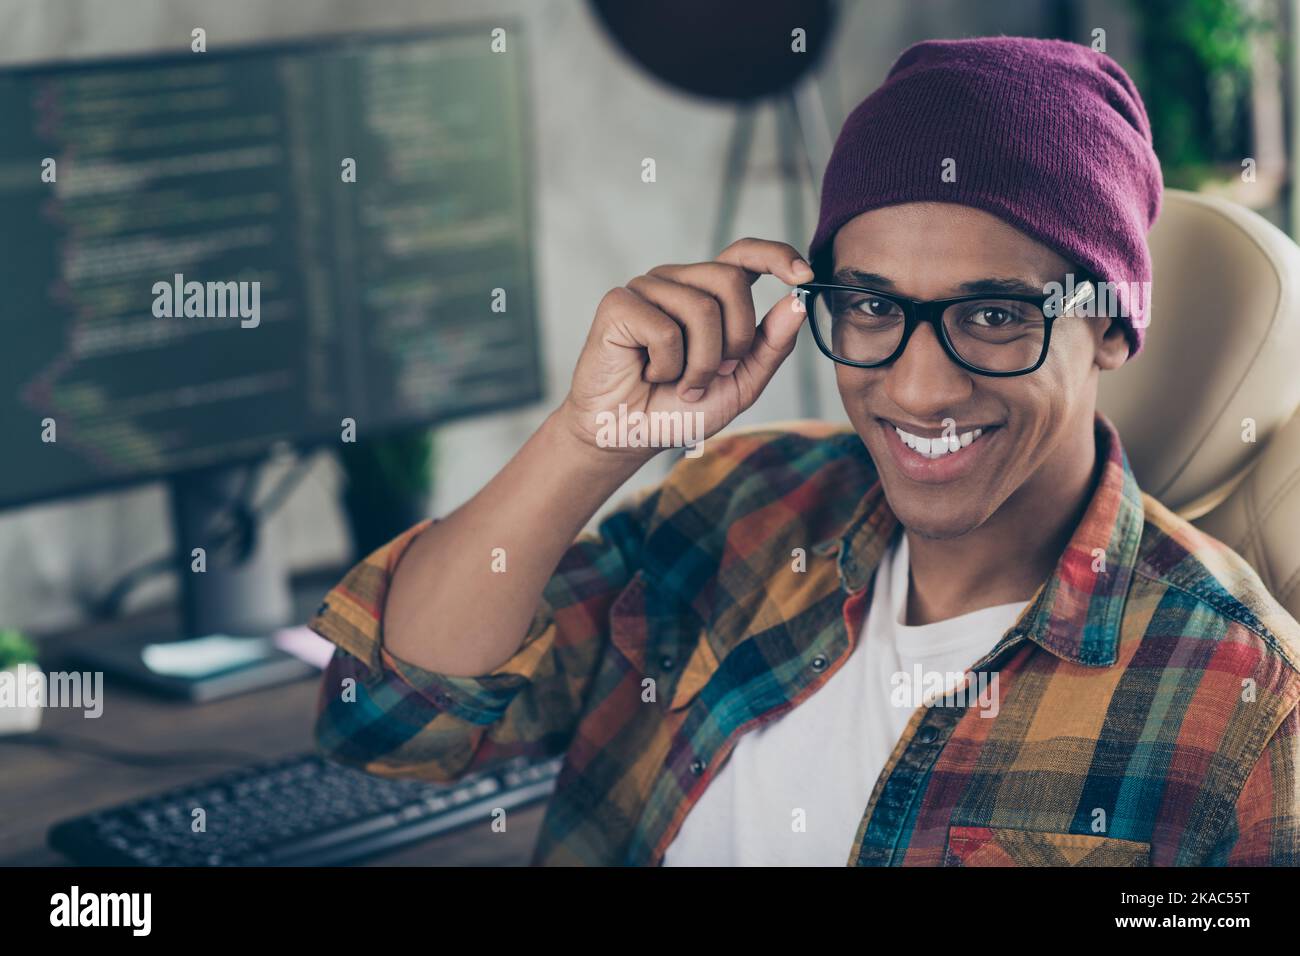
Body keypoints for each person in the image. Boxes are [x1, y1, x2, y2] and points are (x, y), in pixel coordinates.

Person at [307, 36, 1300, 865]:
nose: (918, 387)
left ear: (1114, 329)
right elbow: (387, 720)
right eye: (870, 306)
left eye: (994, 314)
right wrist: (586, 442)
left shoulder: (1245, 706)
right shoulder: (738, 503)